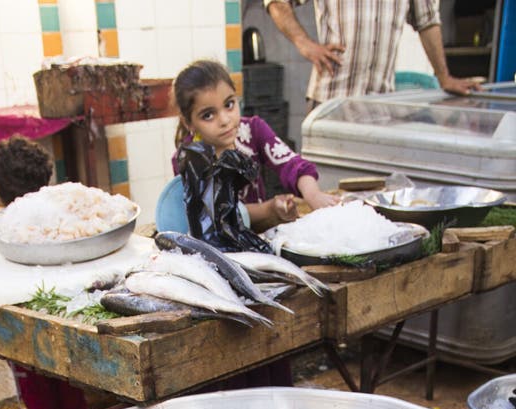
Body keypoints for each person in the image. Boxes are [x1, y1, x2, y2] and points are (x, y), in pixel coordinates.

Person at [0, 135, 89, 409]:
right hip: (60, 324)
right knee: (73, 396)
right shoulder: (55, 219)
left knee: (39, 405)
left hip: (19, 333)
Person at [172, 58, 338, 250]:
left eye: (229, 104)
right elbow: (218, 216)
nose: (225, 120)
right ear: (189, 123)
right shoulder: (188, 160)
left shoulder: (253, 130)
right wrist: (269, 209)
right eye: (208, 115)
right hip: (221, 250)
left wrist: (313, 195)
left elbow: (293, 164)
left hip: (261, 237)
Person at [263, 0, 482, 106]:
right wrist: (304, 43)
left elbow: (428, 21)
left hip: (380, 106)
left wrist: (444, 77)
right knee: (325, 182)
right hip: (330, 101)